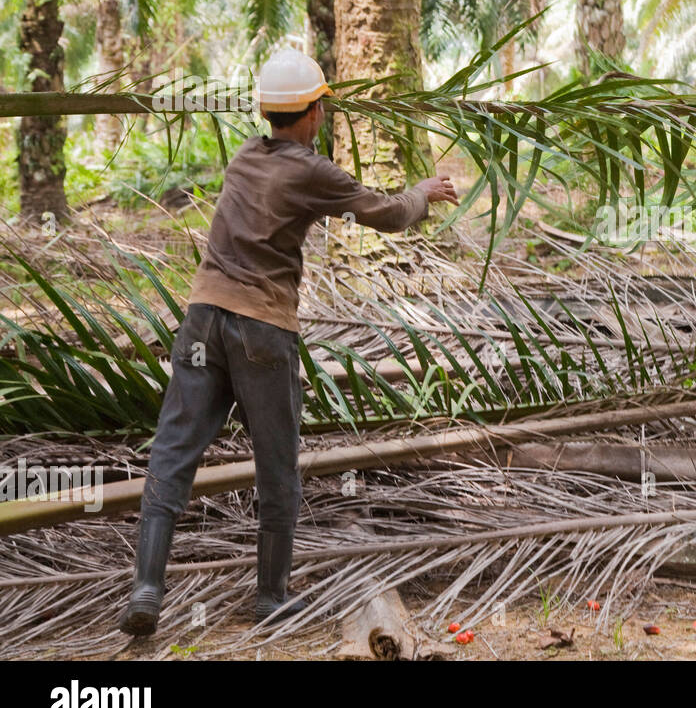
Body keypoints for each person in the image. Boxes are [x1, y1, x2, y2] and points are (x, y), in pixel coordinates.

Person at [119, 47, 459, 636]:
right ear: (311, 112)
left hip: (201, 321)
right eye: (322, 105)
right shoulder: (310, 169)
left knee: (171, 456)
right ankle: (270, 597)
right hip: (261, 331)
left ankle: (148, 589)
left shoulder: (246, 156)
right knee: (276, 467)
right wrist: (423, 192)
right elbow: (385, 214)